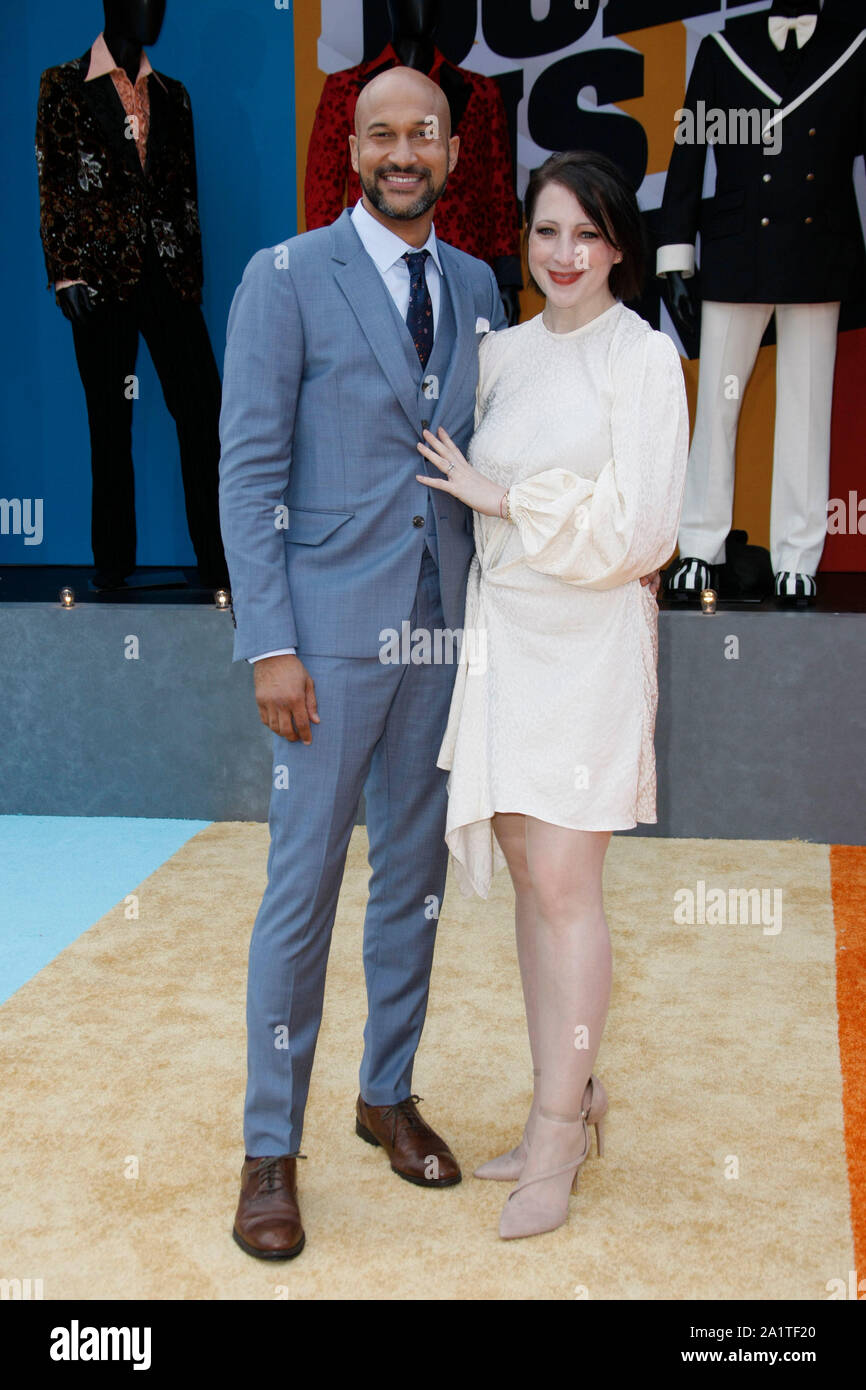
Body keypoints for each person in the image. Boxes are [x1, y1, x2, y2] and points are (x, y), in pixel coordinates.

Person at [218, 65, 507, 1260]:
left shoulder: (481, 281)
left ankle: (383, 1093)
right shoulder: (282, 277)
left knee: (411, 883)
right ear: (352, 147)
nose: (403, 151)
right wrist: (270, 644)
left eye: (422, 134)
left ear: (448, 151)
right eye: (381, 132)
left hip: (441, 637)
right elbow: (246, 471)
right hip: (326, 644)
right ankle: (267, 1148)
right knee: (302, 895)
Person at [416, 150, 690, 1240]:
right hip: (507, 640)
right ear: (522, 243)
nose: (563, 254)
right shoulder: (501, 355)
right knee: (533, 877)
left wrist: (507, 496)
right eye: (544, 233)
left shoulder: (644, 361)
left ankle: (555, 1129)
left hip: (586, 647)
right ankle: (566, 1096)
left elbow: (641, 535)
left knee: (567, 881)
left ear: (618, 244)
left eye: (584, 233)